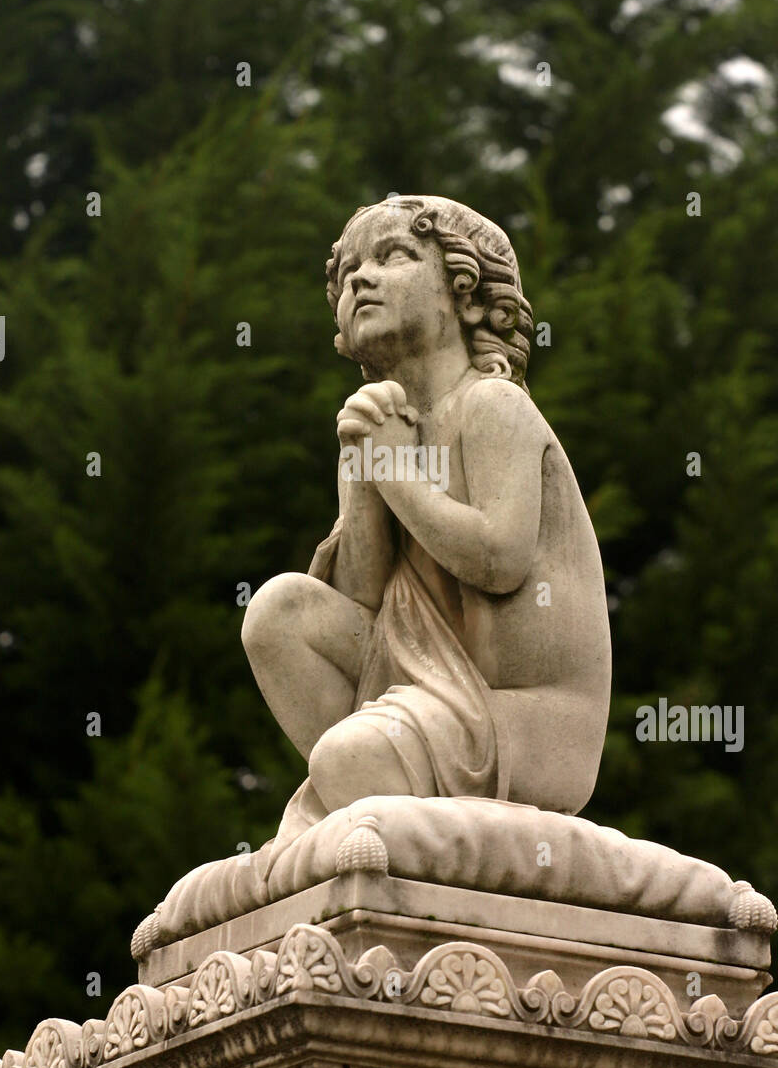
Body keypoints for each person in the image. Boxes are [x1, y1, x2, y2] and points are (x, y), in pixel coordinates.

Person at [241, 195, 611, 849]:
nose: (360, 278)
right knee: (278, 613)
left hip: (527, 719)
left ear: (465, 297)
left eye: (392, 257)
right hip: (422, 687)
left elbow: (498, 561)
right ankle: (371, 773)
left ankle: (367, 778)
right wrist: (366, 469)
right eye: (350, 269)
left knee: (346, 760)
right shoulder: (379, 428)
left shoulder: (493, 406)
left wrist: (392, 471)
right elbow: (366, 598)